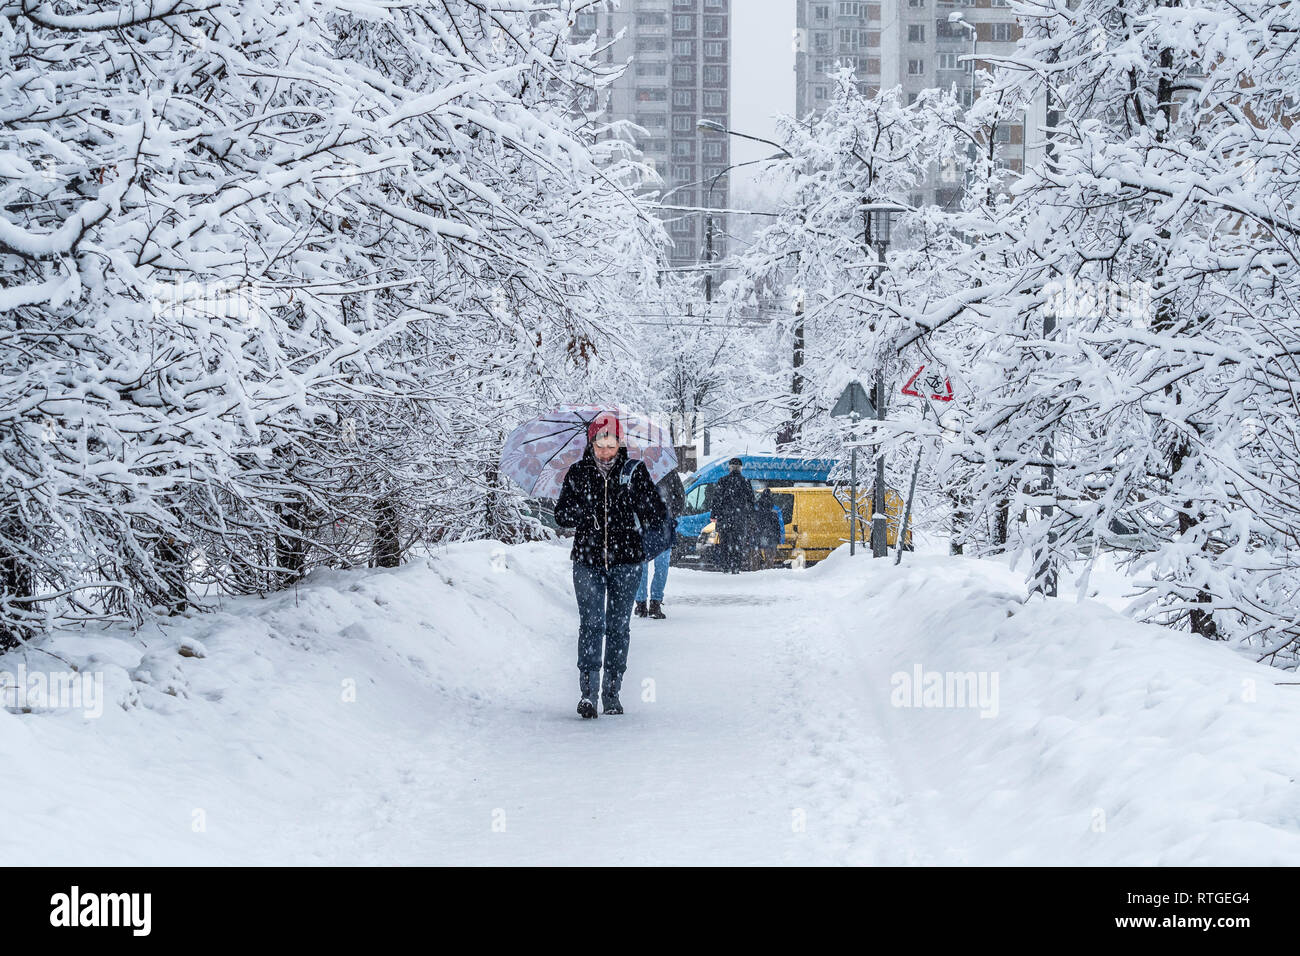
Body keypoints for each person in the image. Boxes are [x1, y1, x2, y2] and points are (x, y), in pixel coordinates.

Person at [554, 413, 668, 718]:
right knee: (591, 625)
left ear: (620, 443)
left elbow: (656, 514)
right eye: (600, 444)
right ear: (591, 443)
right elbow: (561, 514)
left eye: (611, 443)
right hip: (587, 560)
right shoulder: (578, 473)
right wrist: (583, 510)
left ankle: (612, 692)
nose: (606, 450)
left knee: (618, 627)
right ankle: (588, 694)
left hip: (626, 561)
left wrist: (635, 503)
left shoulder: (635, 472)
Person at [636, 469, 686, 620]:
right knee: (661, 566)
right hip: (662, 527)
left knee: (642, 566)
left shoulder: (638, 471)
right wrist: (670, 513)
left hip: (644, 528)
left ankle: (641, 604)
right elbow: (680, 498)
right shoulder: (669, 472)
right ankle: (654, 603)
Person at [712, 457, 755, 574]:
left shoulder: (722, 480)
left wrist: (714, 514)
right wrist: (749, 516)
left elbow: (716, 499)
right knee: (737, 542)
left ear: (730, 468)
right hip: (739, 518)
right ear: (741, 468)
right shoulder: (745, 481)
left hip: (724, 518)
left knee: (724, 543)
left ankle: (725, 566)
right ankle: (735, 566)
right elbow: (751, 501)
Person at [752, 488, 784, 569]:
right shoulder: (776, 508)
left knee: (756, 554)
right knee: (769, 555)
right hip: (772, 534)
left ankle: (755, 570)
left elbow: (751, 521)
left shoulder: (755, 507)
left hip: (758, 533)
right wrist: (781, 538)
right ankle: (768, 570)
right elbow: (780, 524)